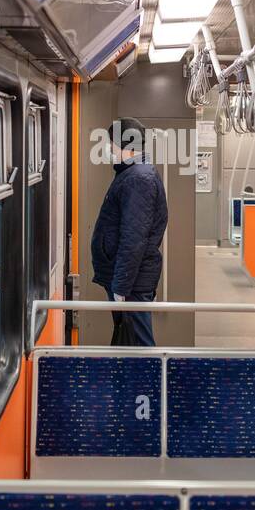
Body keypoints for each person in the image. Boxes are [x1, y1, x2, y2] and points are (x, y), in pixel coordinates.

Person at [90, 117, 169, 346]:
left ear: (124, 144)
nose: (108, 147)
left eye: (110, 142)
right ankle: (134, 381)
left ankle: (150, 381)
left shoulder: (138, 178)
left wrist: (121, 286)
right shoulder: (133, 174)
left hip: (131, 282)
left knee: (139, 343)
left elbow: (133, 238)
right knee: (129, 340)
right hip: (129, 277)